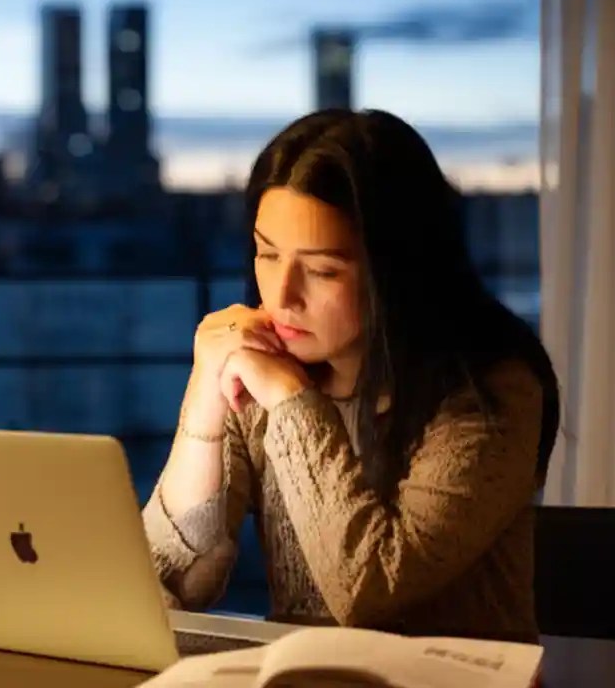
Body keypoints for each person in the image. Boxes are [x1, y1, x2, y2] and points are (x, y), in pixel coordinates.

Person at [142, 108, 560, 643]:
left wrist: (293, 402)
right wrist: (205, 402)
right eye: (267, 254)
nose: (283, 295)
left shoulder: (490, 393)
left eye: (321, 270)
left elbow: (369, 590)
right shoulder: (265, 368)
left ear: (396, 270)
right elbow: (168, 578)